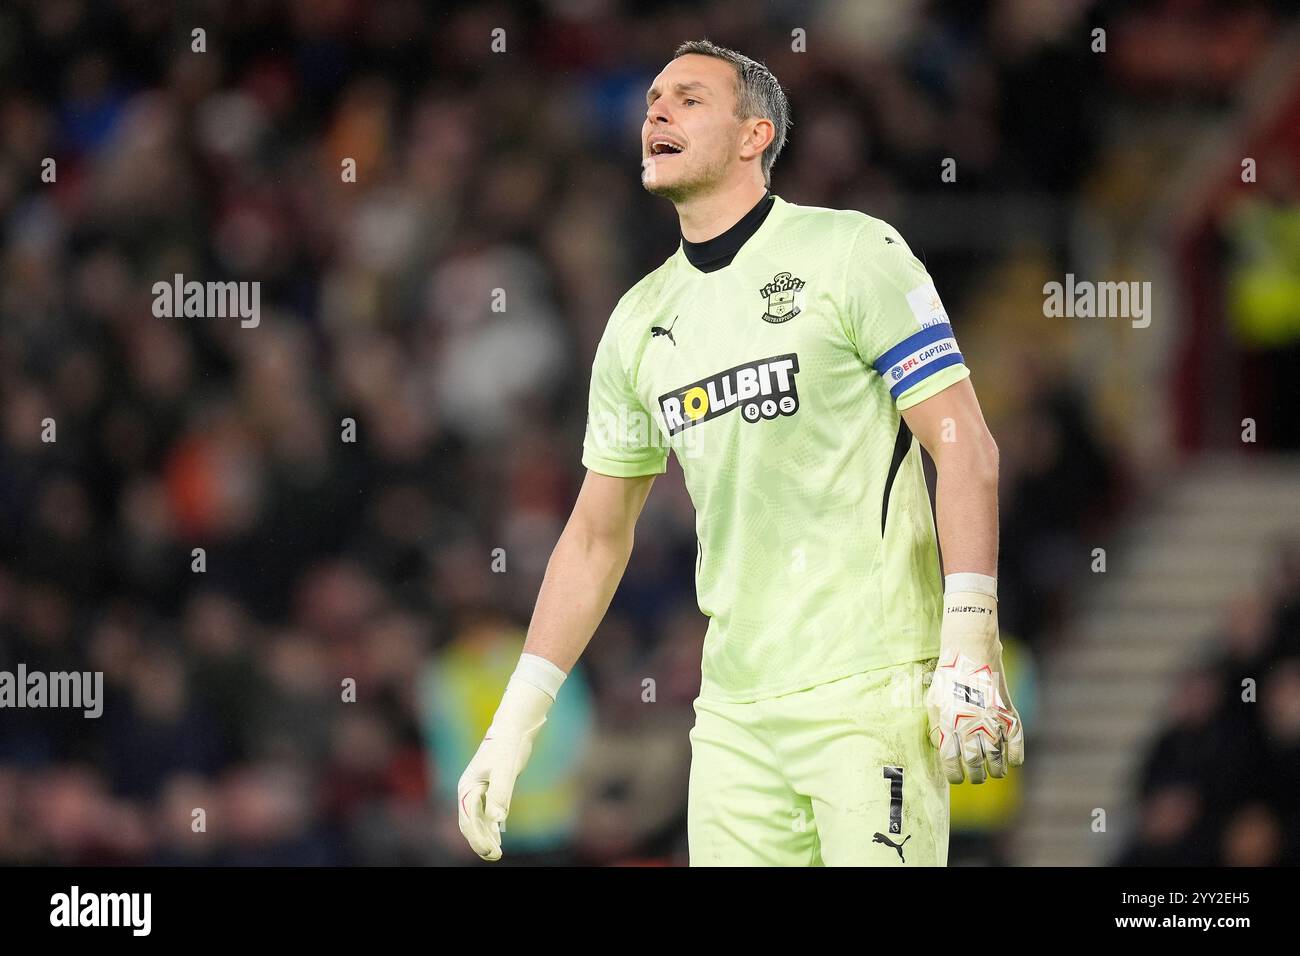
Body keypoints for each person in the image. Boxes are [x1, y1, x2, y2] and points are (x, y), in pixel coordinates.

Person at [457, 39, 1023, 866]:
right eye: (652, 98)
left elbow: (964, 444)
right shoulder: (637, 324)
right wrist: (516, 720)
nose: (656, 110)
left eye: (688, 98)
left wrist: (971, 639)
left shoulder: (853, 253)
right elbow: (594, 537)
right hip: (732, 715)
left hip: (869, 687)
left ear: (756, 133)